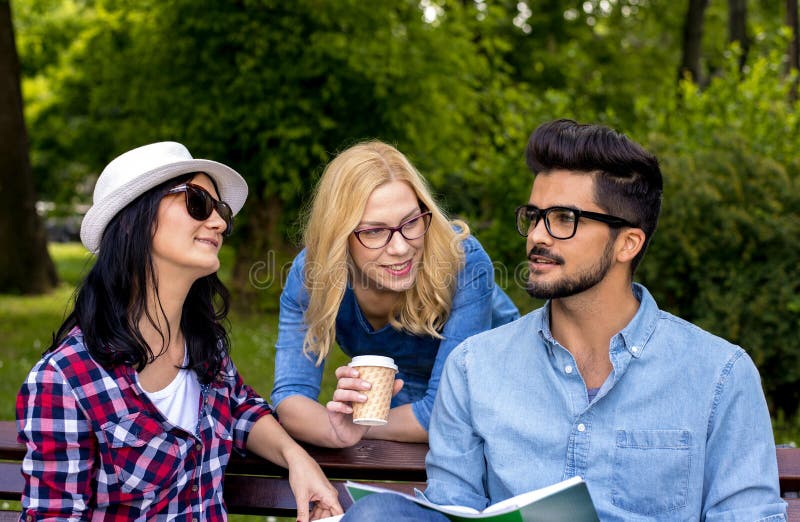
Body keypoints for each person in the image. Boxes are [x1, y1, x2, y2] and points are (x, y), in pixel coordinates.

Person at [342, 120, 787, 520]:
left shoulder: (719, 375)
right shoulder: (474, 367)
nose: (536, 235)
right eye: (534, 216)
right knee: (378, 515)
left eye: (563, 220)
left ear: (627, 243)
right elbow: (453, 509)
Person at [16, 142, 342, 521]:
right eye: (197, 202)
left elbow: (241, 411)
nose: (220, 222)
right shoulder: (65, 380)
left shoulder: (205, 346)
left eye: (220, 211)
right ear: (130, 220)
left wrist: (296, 458)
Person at [271, 140, 519, 448]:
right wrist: (338, 430)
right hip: (404, 406)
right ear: (339, 237)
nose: (401, 248)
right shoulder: (313, 274)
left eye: (411, 222)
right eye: (374, 231)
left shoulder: (462, 263)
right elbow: (290, 397)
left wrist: (364, 423)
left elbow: (448, 413)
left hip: (497, 398)